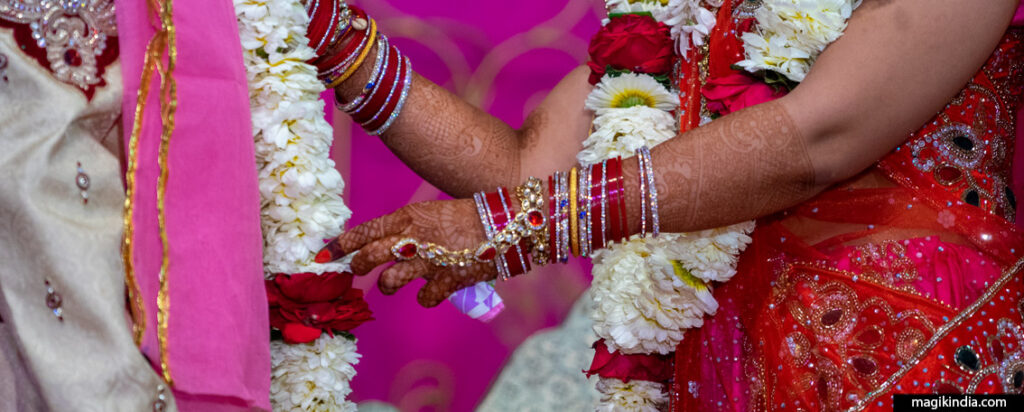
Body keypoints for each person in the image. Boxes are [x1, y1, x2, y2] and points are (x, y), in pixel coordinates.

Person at [313, 0, 1024, 409]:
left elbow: (819, 137)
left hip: (922, 354)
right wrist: (337, 43)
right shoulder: (685, 9)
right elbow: (525, 170)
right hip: (721, 369)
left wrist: (519, 223)